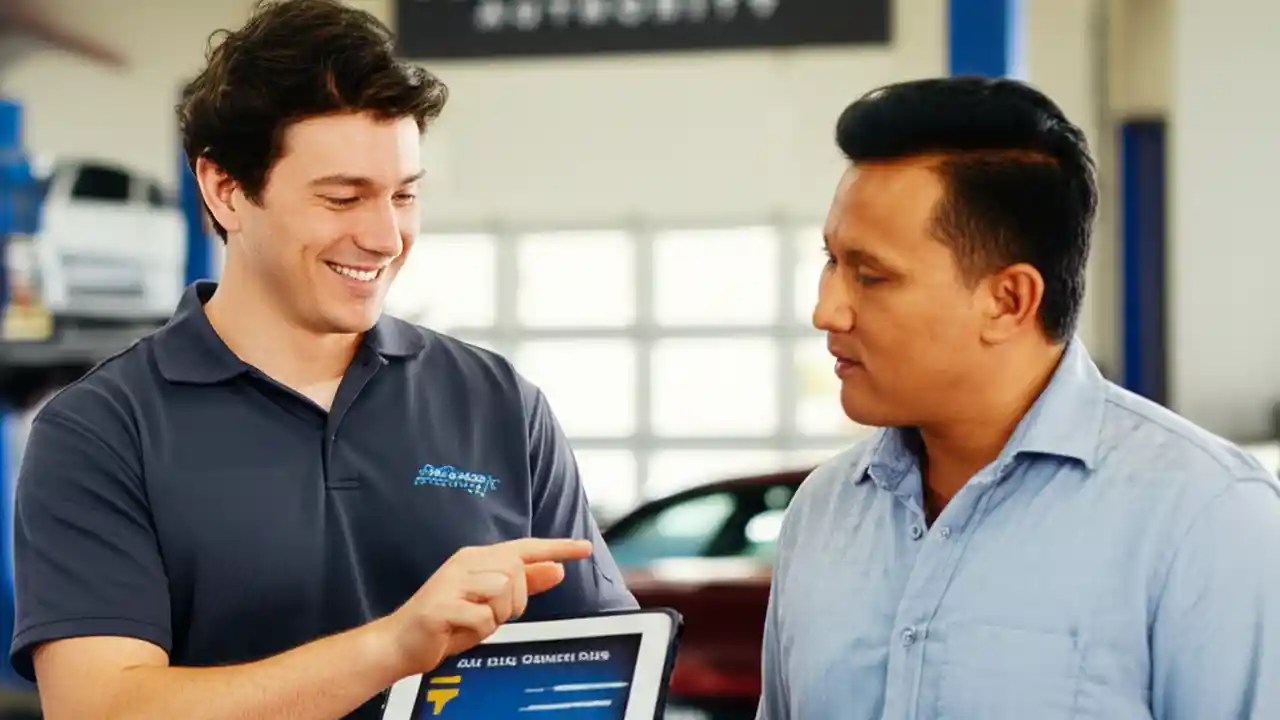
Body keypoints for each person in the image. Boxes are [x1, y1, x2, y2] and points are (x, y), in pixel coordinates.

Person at [9, 1, 636, 718]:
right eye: (344, 198)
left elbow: (602, 671)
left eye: (404, 195)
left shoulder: (497, 402)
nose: (384, 236)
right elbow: (104, 710)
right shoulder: (102, 432)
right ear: (225, 190)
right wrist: (394, 646)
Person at [756, 76, 1280, 720]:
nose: (826, 309)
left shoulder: (1206, 520)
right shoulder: (825, 514)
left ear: (1009, 301)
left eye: (870, 276)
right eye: (831, 262)